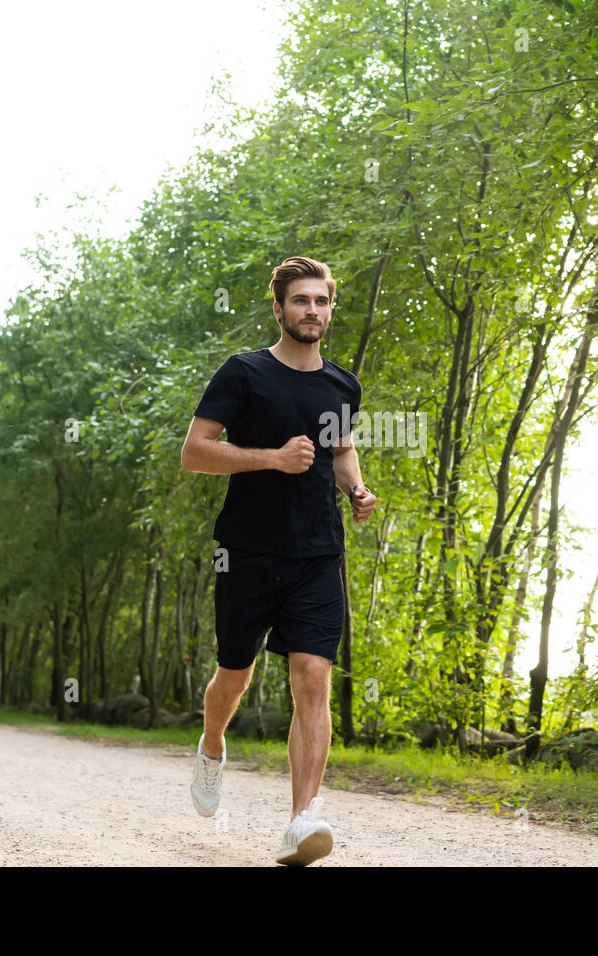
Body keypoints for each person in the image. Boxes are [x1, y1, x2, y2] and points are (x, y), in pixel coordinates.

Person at [180, 255, 377, 866]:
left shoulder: (342, 385)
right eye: (301, 301)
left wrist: (356, 489)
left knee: (312, 676)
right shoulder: (243, 373)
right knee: (233, 673)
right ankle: (213, 746)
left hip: (318, 551)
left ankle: (302, 820)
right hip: (247, 550)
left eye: (321, 301)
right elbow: (195, 453)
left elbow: (340, 451)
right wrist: (270, 458)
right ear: (279, 308)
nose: (312, 311)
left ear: (329, 309)